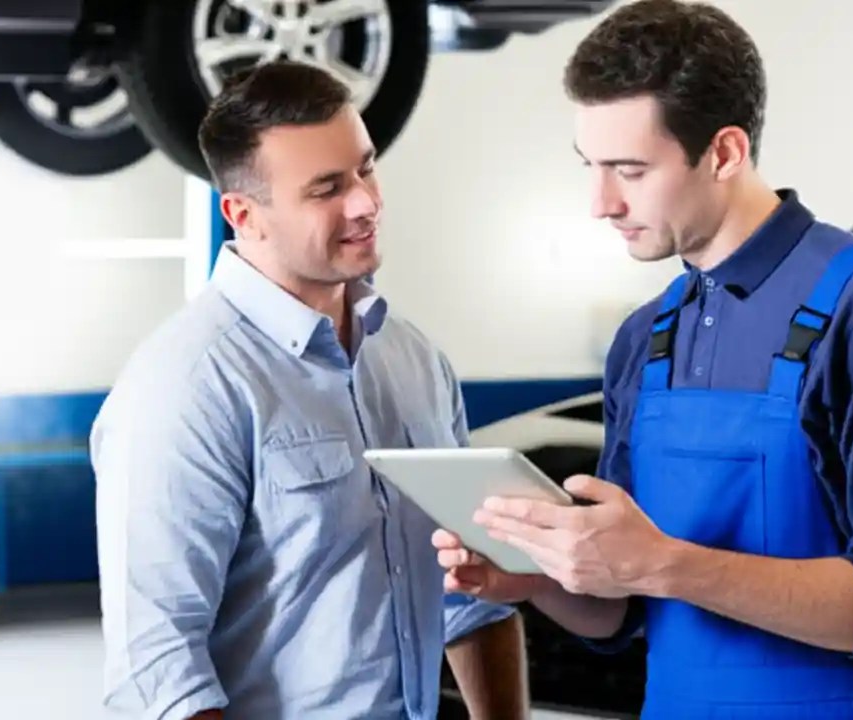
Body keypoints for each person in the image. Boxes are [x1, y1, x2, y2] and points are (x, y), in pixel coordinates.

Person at [434, 1, 853, 718]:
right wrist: (536, 577)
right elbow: (623, 609)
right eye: (590, 166)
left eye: (629, 169)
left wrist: (664, 563)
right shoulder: (648, 334)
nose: (600, 203)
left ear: (724, 153)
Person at [92, 61, 528, 720]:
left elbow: (471, 592)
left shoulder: (413, 359)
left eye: (366, 168)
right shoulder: (183, 388)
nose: (365, 202)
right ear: (243, 214)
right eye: (326, 188)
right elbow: (158, 667)